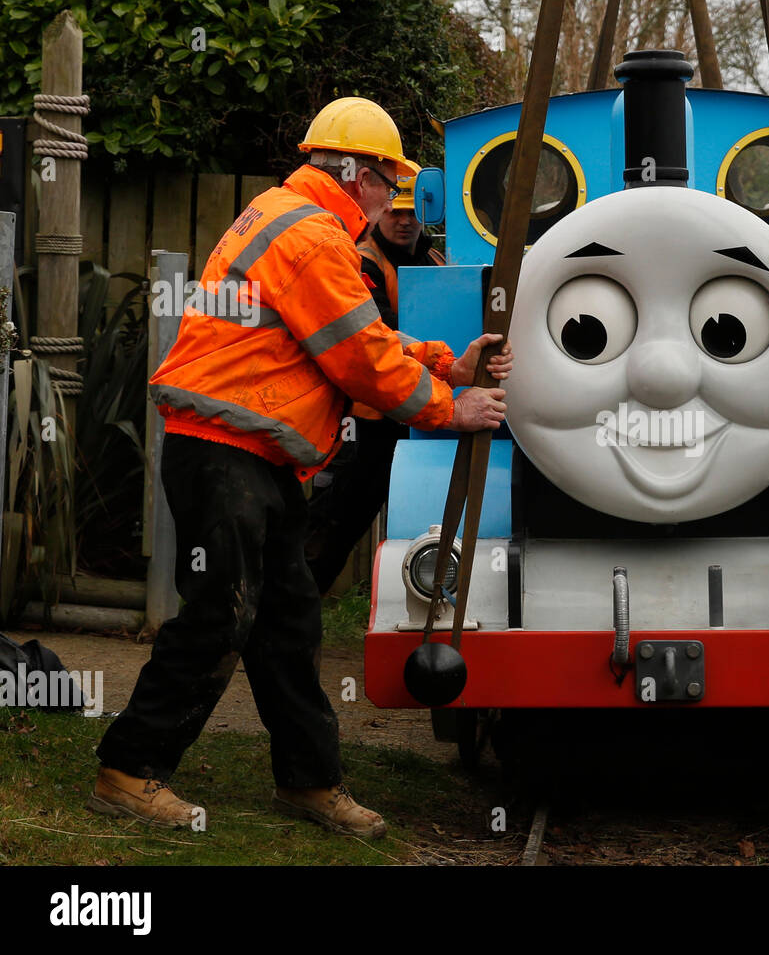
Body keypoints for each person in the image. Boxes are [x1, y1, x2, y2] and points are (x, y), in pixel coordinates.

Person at [90, 97, 510, 839]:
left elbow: (357, 334)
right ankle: (128, 770)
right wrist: (454, 406)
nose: (392, 199)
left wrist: (447, 361)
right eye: (387, 181)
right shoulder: (313, 237)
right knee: (224, 610)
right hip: (225, 450)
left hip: (246, 450)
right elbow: (362, 362)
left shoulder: (286, 219)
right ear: (354, 173)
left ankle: (310, 785)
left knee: (287, 622)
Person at [304, 176, 469, 594]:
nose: (404, 220)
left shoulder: (434, 260)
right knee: (332, 522)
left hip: (422, 410)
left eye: (414, 213)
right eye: (396, 211)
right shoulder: (362, 262)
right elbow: (373, 340)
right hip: (368, 418)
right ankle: (290, 609)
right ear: (383, 210)